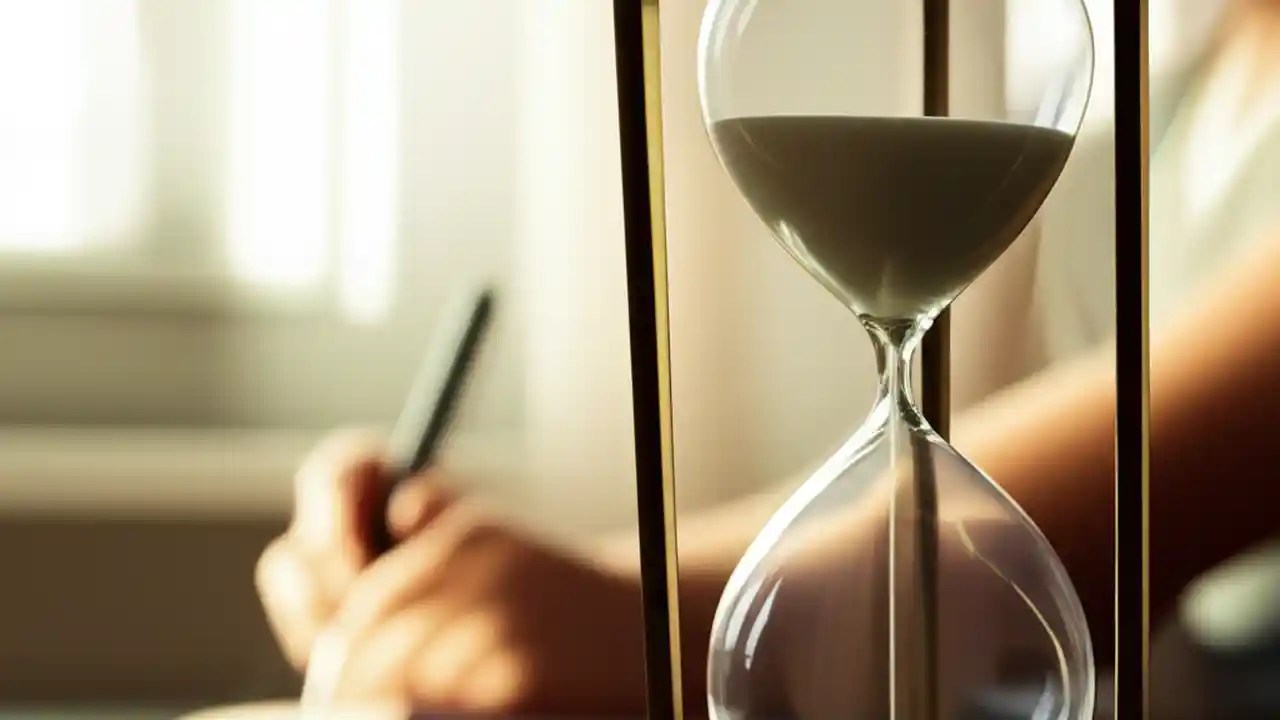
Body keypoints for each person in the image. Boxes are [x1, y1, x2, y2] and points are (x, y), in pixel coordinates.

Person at [255, 0, 1280, 715]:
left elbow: (1098, 519)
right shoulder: (1147, 122)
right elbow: (1020, 464)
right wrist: (482, 595)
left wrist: (612, 610)